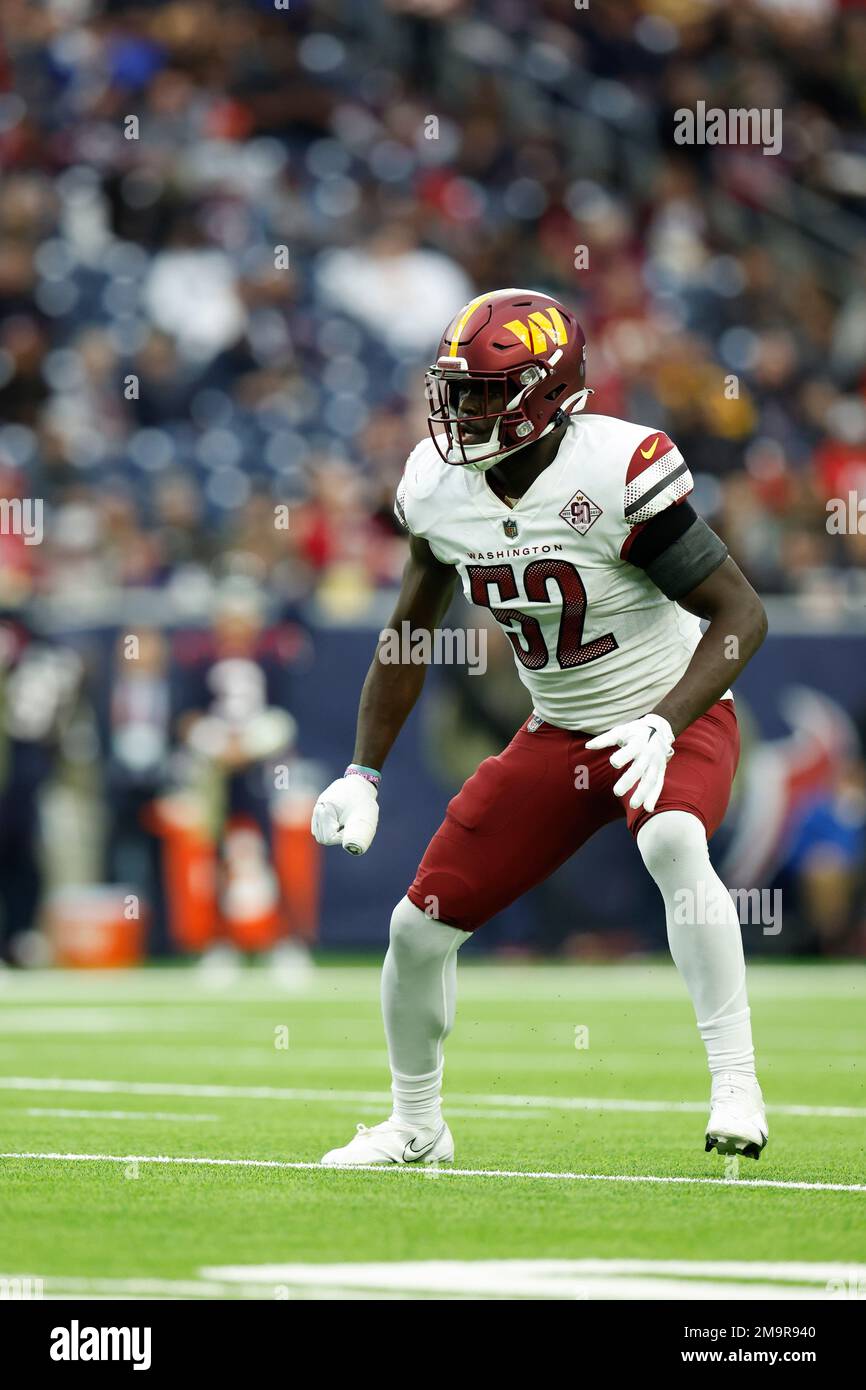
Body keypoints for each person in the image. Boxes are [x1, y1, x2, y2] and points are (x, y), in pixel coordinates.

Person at [312, 288, 769, 1166]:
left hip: (675, 710)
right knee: (418, 928)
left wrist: (669, 723)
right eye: (457, 391)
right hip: (558, 731)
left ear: (549, 393)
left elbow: (741, 614)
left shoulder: (616, 470)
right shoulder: (442, 490)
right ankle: (416, 1125)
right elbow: (410, 634)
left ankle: (736, 1081)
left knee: (674, 840)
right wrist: (361, 773)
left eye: (487, 392)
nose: (464, 412)